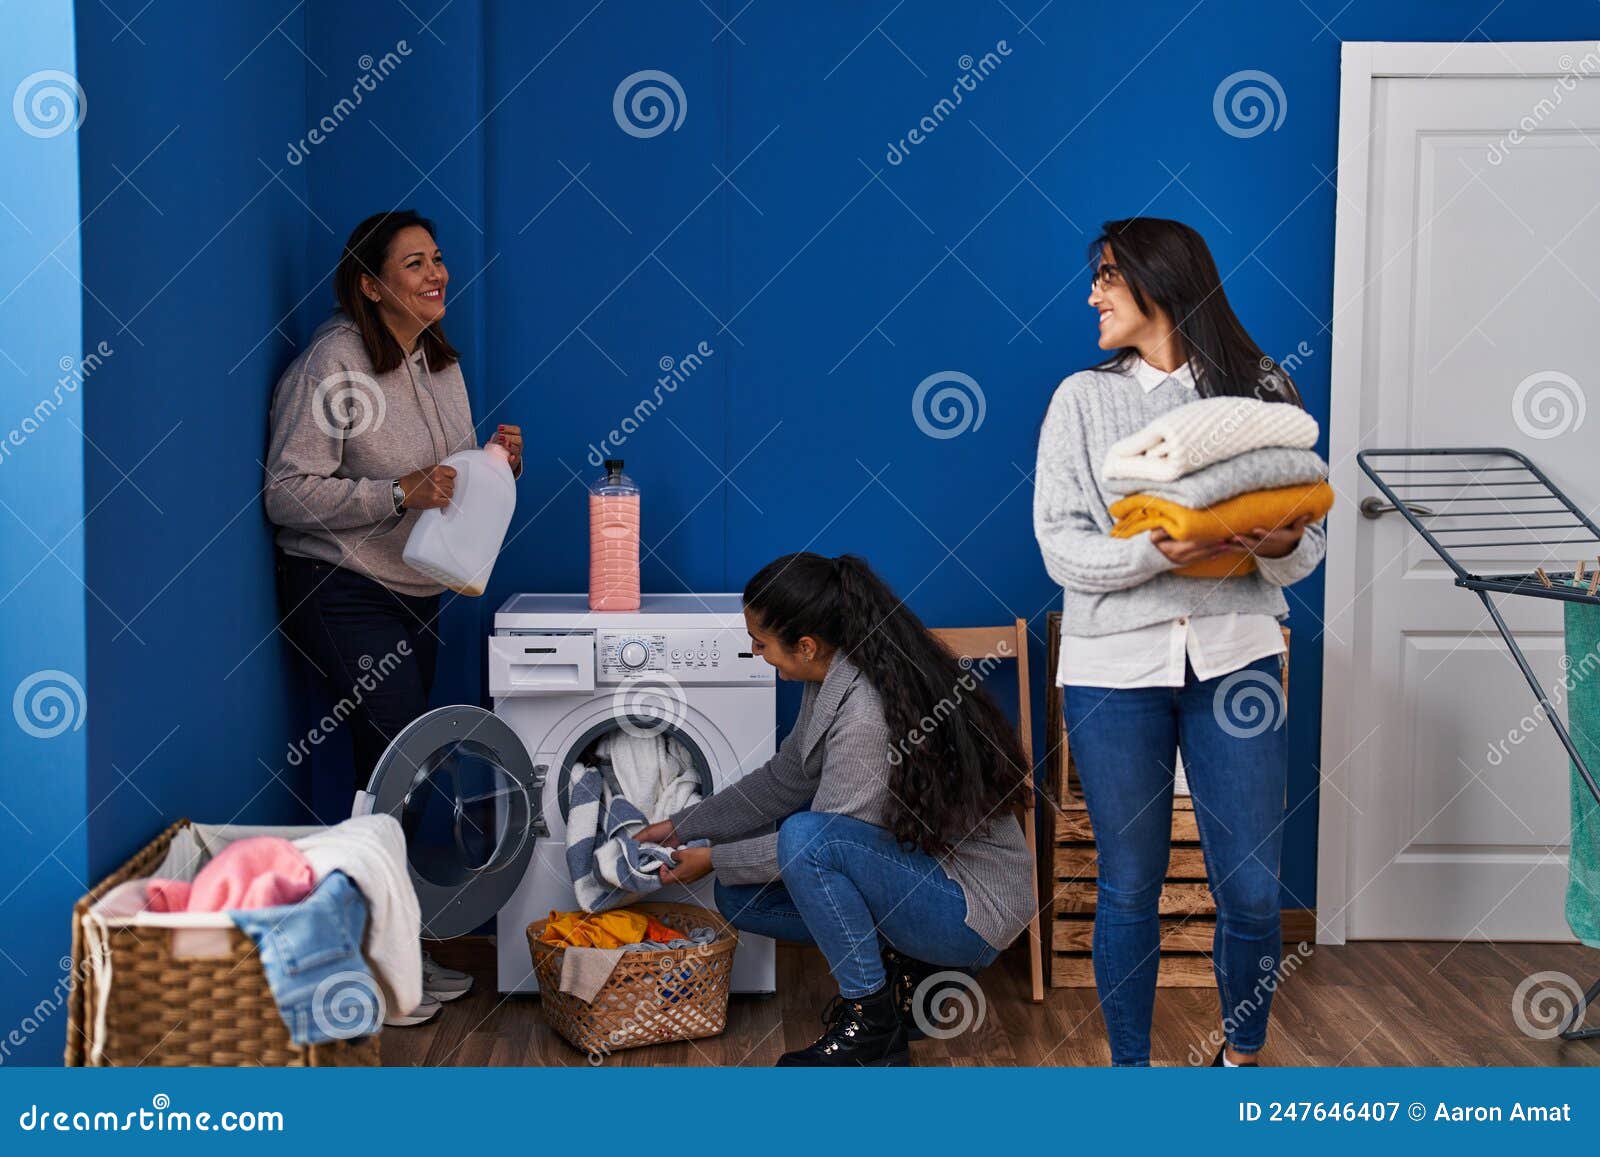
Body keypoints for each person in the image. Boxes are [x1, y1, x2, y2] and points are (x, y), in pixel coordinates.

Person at [1032, 217, 1326, 1067]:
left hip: (1236, 655)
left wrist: (1269, 541)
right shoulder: (1081, 400)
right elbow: (1059, 543)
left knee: (1252, 889)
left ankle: (1240, 1061)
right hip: (1112, 668)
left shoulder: (1261, 390)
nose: (1092, 295)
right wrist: (1153, 548)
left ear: (1158, 282)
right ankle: (1134, 1079)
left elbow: (1306, 538)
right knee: (1128, 883)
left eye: (1107, 277)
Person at [265, 209, 523, 1024]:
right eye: (414, 264)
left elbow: (442, 483)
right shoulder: (332, 364)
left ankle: (394, 951)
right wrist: (395, 491)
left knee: (405, 769)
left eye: (439, 259)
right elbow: (285, 492)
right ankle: (370, 969)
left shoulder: (438, 363)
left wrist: (491, 466)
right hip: (339, 583)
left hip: (416, 588)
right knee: (396, 767)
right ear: (371, 286)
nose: (436, 273)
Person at [637, 552, 1034, 1066]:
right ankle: (904, 972)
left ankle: (871, 1025)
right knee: (740, 899)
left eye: (761, 642)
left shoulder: (867, 712)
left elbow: (817, 847)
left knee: (805, 840)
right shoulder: (831, 677)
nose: (756, 652)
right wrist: (681, 825)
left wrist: (712, 856)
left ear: (805, 645)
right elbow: (780, 782)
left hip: (969, 912)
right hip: (923, 877)